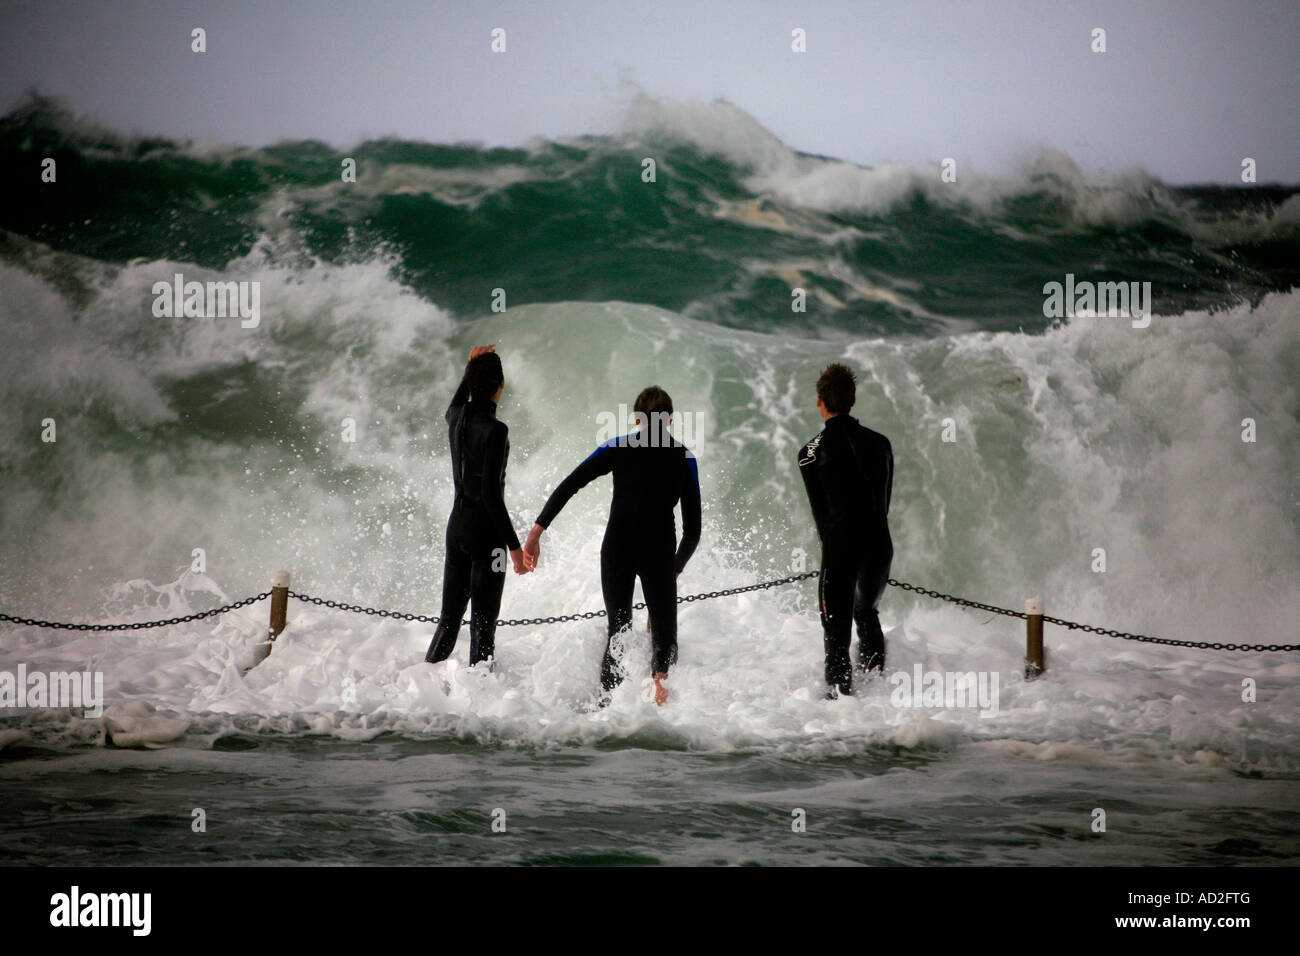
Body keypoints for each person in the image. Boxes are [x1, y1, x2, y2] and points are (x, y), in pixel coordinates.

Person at [523, 387, 700, 705]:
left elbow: (570, 484)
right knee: (664, 639)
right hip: (659, 554)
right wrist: (674, 568)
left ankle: (605, 710)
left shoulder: (618, 447)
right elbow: (693, 531)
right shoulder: (684, 458)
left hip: (617, 549)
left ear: (636, 419)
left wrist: (537, 533)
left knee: (618, 631)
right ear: (670, 421)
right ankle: (661, 707)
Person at [425, 345, 530, 668]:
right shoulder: (496, 431)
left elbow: (455, 403)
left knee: (448, 621)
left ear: (470, 385)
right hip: (487, 537)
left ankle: (423, 683)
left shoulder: (457, 417)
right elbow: (490, 495)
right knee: (484, 627)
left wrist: (469, 367)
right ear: (501, 386)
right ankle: (481, 705)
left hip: (456, 529)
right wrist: (514, 547)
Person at [797, 363, 893, 697]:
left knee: (836, 633)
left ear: (820, 401)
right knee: (866, 615)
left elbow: (821, 517)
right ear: (853, 400)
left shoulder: (810, 452)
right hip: (879, 545)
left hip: (840, 549)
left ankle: (839, 716)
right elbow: (884, 504)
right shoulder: (881, 444)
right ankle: (877, 697)